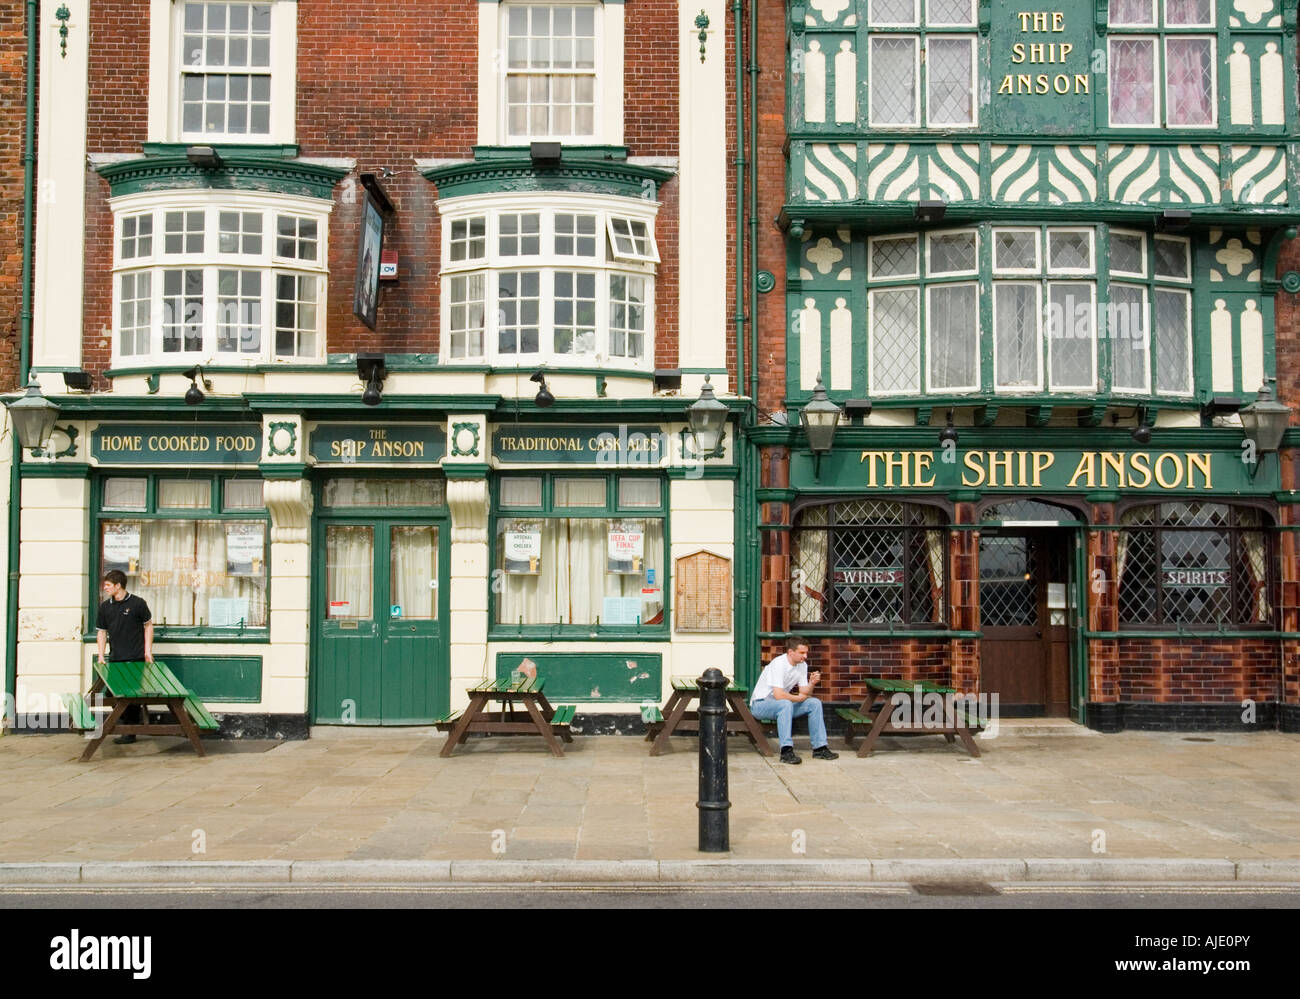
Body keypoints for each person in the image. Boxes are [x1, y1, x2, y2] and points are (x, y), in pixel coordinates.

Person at [749, 637, 838, 764]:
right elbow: (779, 695)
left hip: (782, 705)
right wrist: (797, 698)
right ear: (791, 652)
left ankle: (820, 748)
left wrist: (812, 683)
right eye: (802, 653)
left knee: (814, 703)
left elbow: (804, 692)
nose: (805, 656)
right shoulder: (779, 664)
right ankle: (786, 751)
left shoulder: (802, 665)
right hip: (760, 705)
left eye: (806, 652)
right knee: (785, 704)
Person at [96, 570, 154, 744]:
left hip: (135, 657)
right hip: (115, 658)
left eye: (108, 585)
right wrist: (101, 654)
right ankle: (127, 725)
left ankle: (130, 731)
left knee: (132, 696)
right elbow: (101, 632)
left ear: (118, 585)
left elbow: (148, 626)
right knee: (112, 695)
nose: (105, 588)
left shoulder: (138, 603)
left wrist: (148, 651)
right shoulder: (105, 607)